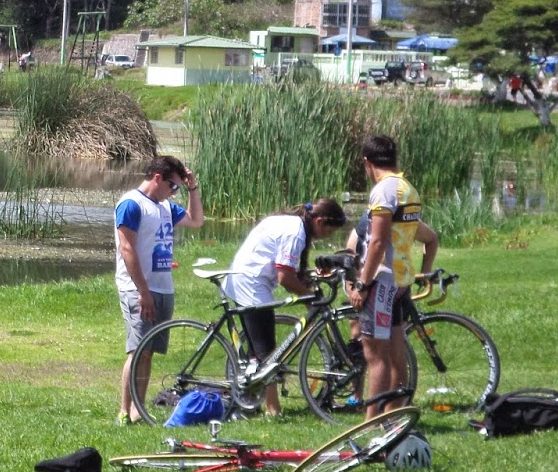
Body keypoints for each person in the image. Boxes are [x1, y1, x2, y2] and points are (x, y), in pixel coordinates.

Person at [221, 199, 347, 415]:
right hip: (251, 283)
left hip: (249, 278)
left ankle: (250, 399)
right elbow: (285, 278)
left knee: (258, 352)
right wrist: (310, 297)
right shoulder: (295, 233)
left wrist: (309, 288)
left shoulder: (293, 224)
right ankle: (273, 409)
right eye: (330, 231)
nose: (329, 237)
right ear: (319, 221)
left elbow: (290, 270)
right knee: (267, 354)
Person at [114, 155, 203, 424]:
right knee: (137, 349)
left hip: (163, 287)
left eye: (177, 188)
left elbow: (196, 220)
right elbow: (127, 248)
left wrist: (192, 188)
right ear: (157, 178)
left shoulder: (165, 206)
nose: (174, 191)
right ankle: (123, 410)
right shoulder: (132, 204)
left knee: (149, 351)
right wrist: (143, 292)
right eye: (173, 186)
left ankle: (138, 410)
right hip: (138, 289)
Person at [351, 135, 423, 419]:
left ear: (367, 163)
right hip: (403, 278)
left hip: (382, 281)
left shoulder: (383, 192)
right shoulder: (408, 188)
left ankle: (370, 423)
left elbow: (378, 243)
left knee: (375, 353)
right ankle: (394, 413)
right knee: (396, 351)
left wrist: (362, 284)